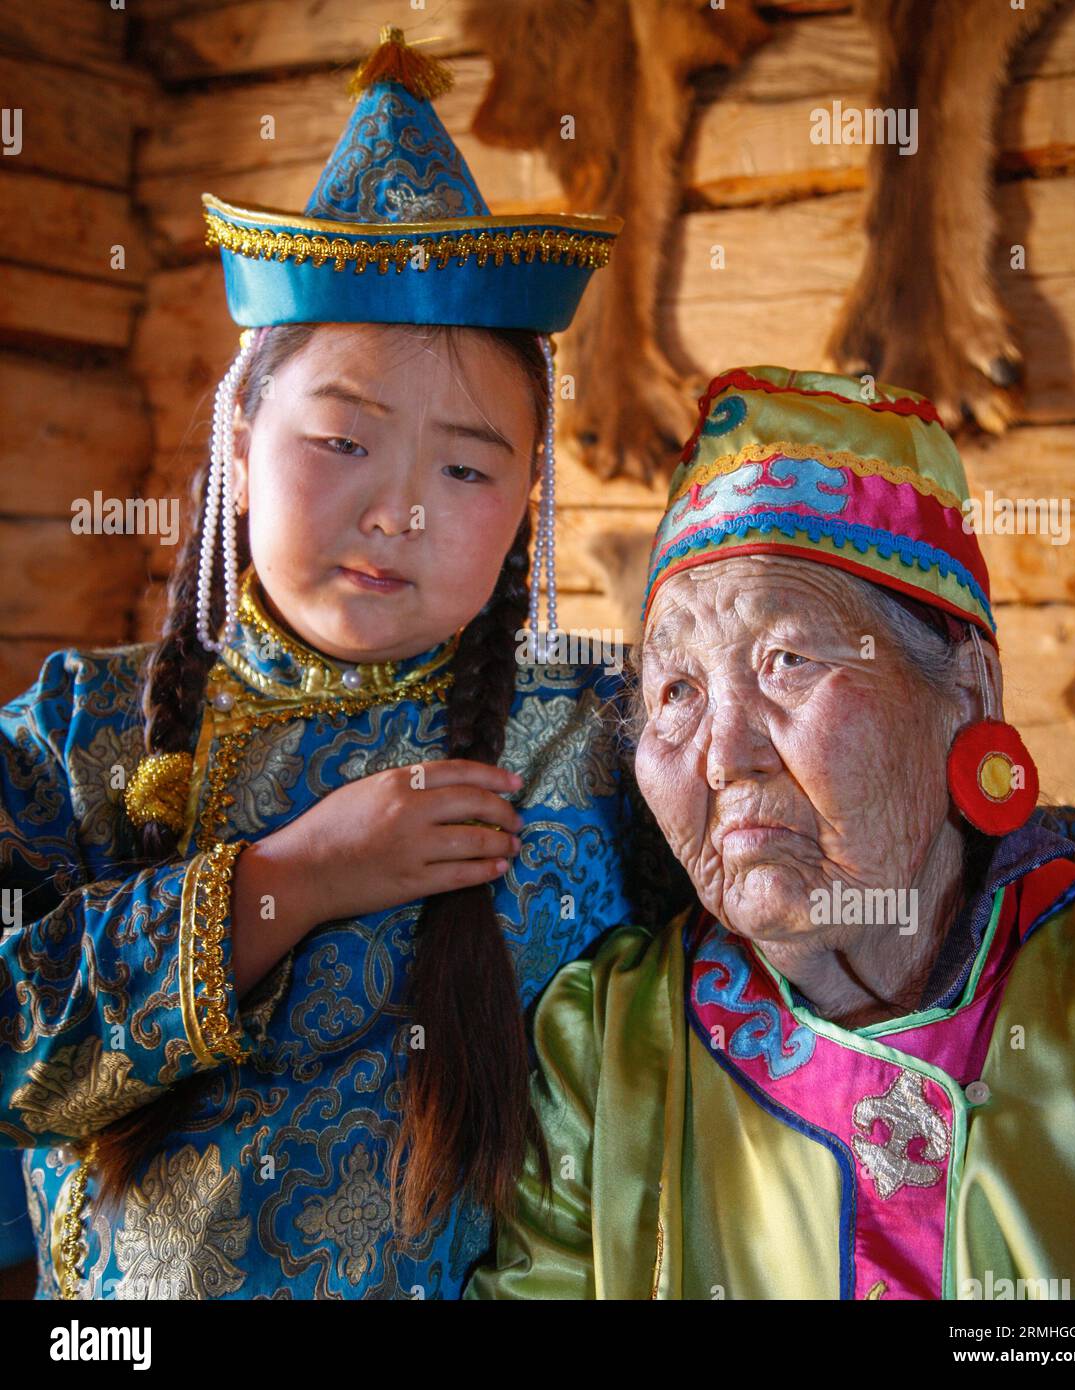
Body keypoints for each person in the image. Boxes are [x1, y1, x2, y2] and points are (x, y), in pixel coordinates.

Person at [0, 27, 650, 1301]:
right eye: (344, 442)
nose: (398, 510)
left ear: (527, 502)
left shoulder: (600, 747)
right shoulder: (82, 731)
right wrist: (290, 880)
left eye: (464, 468)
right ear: (240, 443)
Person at [466, 365, 1075, 1300]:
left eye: (787, 660)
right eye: (677, 691)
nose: (723, 757)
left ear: (967, 691)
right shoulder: (606, 1048)